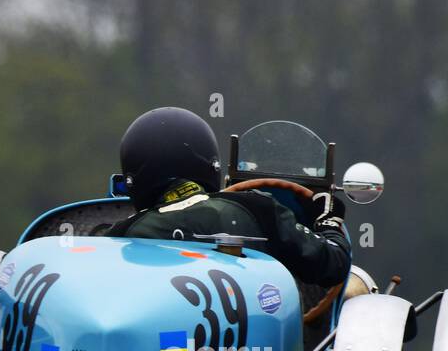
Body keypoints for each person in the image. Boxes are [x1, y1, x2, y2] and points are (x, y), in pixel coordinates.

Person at [101, 107, 350, 289]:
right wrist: (329, 221)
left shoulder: (121, 236)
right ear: (211, 163)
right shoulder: (258, 209)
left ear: (133, 176)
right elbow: (333, 264)